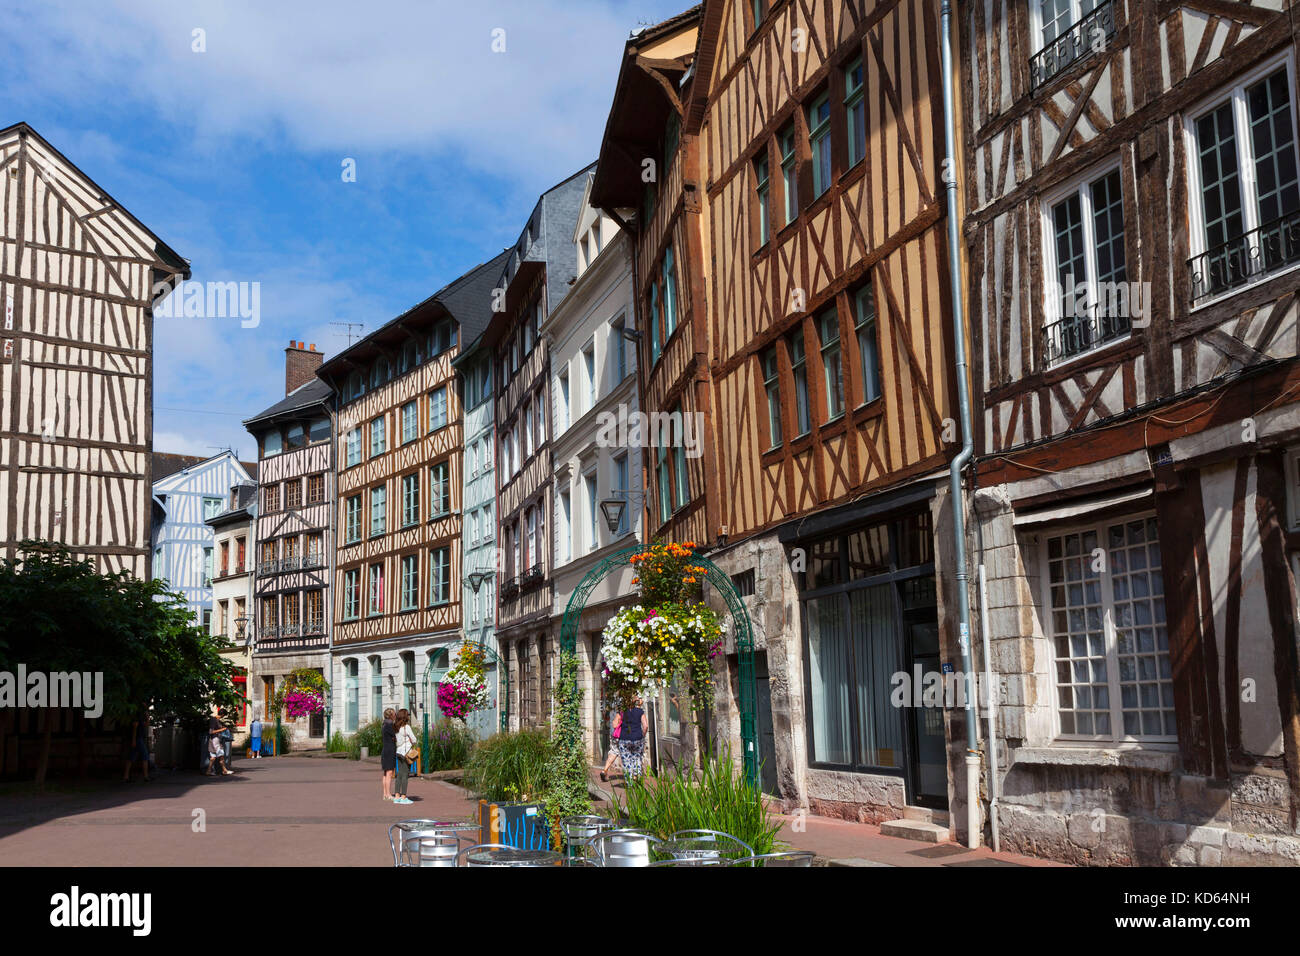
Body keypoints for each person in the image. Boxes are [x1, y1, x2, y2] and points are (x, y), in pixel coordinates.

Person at [617, 696, 649, 780]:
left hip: (624, 739)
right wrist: (643, 735)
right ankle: (637, 778)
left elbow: (615, 724)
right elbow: (645, 726)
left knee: (627, 762)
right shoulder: (640, 711)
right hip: (637, 738)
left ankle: (629, 783)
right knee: (637, 759)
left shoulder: (622, 712)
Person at [393, 709, 418, 805]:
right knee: (405, 775)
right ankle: (403, 797)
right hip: (406, 753)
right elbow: (414, 739)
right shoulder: (406, 727)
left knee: (399, 774)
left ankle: (397, 796)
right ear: (405, 717)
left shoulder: (395, 727)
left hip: (398, 752)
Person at [122, 706, 150, 783]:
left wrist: (147, 716)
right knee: (145, 756)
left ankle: (126, 776)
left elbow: (146, 724)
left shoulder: (141, 717)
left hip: (138, 739)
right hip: (138, 739)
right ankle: (146, 776)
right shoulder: (136, 716)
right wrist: (134, 740)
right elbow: (135, 729)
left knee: (131, 757)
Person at [599, 705, 621, 782]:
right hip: (622, 735)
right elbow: (615, 723)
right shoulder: (623, 708)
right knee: (628, 754)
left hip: (614, 734)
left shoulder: (612, 706)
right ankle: (632, 777)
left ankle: (604, 771)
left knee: (613, 752)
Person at [381, 707, 397, 801]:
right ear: (391, 715)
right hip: (390, 750)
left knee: (385, 773)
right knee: (389, 773)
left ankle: (385, 793)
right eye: (394, 714)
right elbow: (395, 737)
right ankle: (388, 794)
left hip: (385, 749)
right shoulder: (389, 725)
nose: (395, 716)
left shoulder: (384, 724)